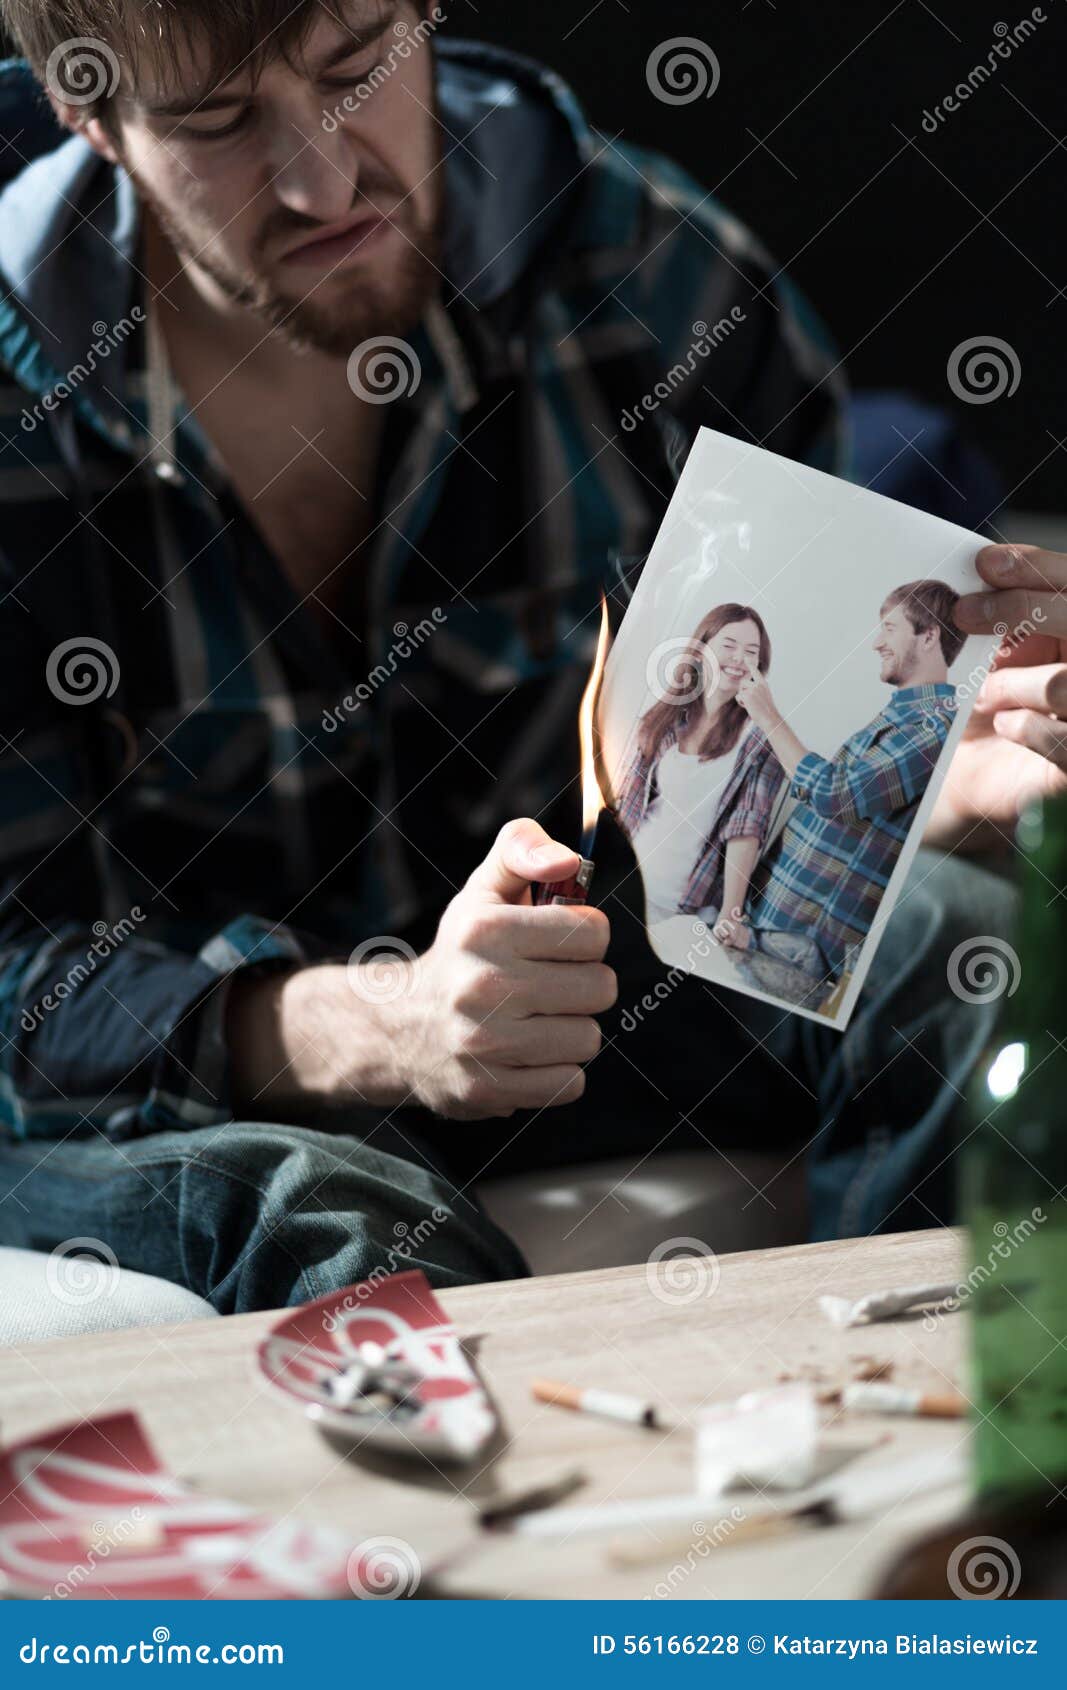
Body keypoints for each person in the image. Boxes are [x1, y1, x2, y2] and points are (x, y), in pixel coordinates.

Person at [0, 5, 1059, 1303]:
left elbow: (776, 788)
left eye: (356, 68)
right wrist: (380, 1023)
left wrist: (926, 781)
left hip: (578, 987)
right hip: (168, 1082)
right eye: (217, 121)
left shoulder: (645, 274)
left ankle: (889, 1419)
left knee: (969, 943)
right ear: (88, 113)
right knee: (330, 1209)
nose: (322, 180)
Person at [727, 580, 965, 988]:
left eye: (890, 629)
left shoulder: (932, 727)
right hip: (773, 933)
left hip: (797, 950)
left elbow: (835, 794)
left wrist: (767, 715)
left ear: (929, 637)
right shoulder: (905, 717)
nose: (877, 643)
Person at [613, 605, 785, 929]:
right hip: (625, 878)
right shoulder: (666, 715)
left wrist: (731, 912)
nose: (739, 658)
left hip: (682, 907)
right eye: (729, 645)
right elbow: (629, 803)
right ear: (702, 648)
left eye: (751, 652)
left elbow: (747, 829)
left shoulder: (761, 738)